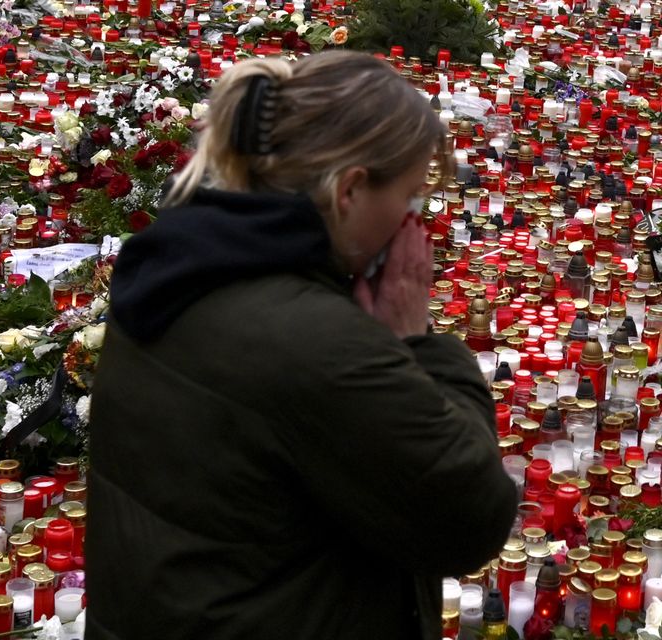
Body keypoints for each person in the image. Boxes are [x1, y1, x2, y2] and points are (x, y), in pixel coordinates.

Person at [85, 51, 518, 640]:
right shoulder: (314, 341)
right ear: (350, 191)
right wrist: (416, 341)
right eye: (411, 197)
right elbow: (470, 514)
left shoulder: (174, 266)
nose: (416, 221)